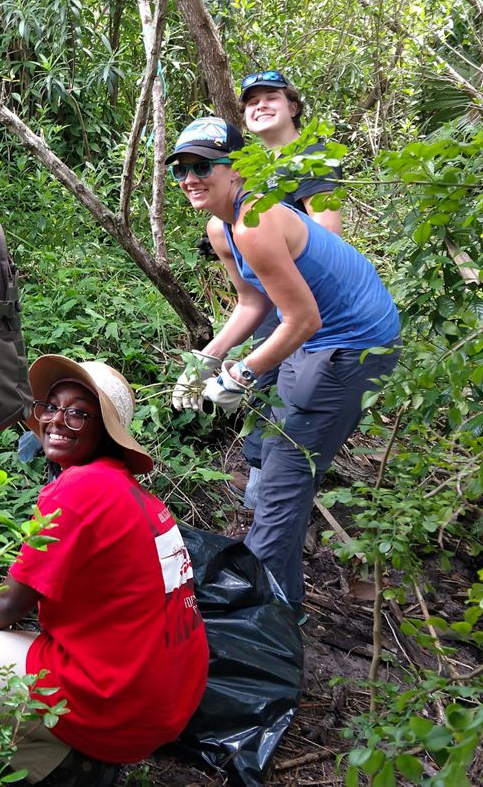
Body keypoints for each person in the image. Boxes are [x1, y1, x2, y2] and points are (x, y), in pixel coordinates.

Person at [0, 356, 209, 786]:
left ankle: (64, 759)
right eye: (51, 406)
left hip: (114, 697)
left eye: (78, 413)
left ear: (105, 430)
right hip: (165, 699)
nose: (56, 420)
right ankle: (71, 764)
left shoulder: (81, 487)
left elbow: (10, 603)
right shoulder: (132, 493)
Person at [165, 116, 399, 613]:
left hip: (355, 343)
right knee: (276, 452)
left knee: (283, 481)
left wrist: (241, 373)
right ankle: (283, 602)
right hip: (310, 337)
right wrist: (206, 360)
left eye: (203, 166)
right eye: (180, 168)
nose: (190, 178)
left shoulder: (255, 222)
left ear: (237, 169)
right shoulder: (221, 227)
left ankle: (260, 621)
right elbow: (253, 303)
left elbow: (303, 319)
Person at [173, 70, 342, 511]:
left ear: (293, 106)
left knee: (289, 399)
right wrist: (210, 358)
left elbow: (328, 238)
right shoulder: (254, 169)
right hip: (273, 302)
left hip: (310, 307)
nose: (260, 106)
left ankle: (274, 502)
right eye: (251, 101)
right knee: (264, 389)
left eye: (272, 97)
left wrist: (270, 247)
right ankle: (258, 490)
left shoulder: (312, 157)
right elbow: (251, 291)